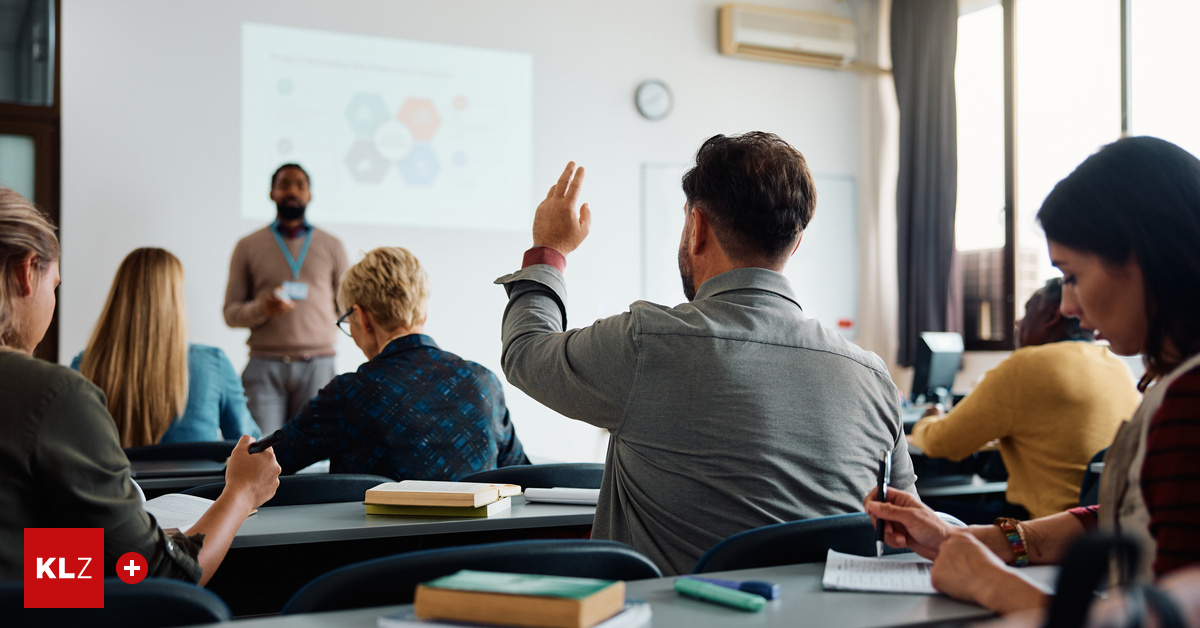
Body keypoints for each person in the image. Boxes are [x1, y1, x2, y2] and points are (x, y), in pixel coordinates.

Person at [495, 132, 916, 575]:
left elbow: (525, 351)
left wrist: (550, 250)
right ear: (794, 243)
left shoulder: (649, 344)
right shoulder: (873, 378)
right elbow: (909, 529)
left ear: (697, 228)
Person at [865, 136, 1200, 615]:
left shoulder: (1190, 398)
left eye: (1072, 275)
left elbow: (1166, 618)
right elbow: (1129, 520)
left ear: (1141, 257)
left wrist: (990, 584)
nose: (1067, 305)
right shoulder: (1161, 379)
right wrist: (965, 538)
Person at [0, 186, 280, 583]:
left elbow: (17, 560)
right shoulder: (54, 396)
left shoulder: (83, 366)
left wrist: (88, 561)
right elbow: (153, 574)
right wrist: (241, 493)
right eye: (55, 285)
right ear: (25, 273)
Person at [272, 246, 529, 480]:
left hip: (378, 533)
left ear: (362, 317)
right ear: (423, 312)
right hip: (476, 533)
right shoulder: (484, 383)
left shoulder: (349, 393)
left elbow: (264, 464)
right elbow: (522, 475)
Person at [910, 277, 1141, 521]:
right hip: (1101, 522)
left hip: (1041, 525)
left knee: (912, 501)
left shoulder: (1026, 365)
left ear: (1052, 315)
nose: (1019, 322)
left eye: (1027, 311)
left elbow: (942, 444)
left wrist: (926, 421)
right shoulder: (1118, 366)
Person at [71, 248, 261, 448]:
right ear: (175, 299)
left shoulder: (85, 366)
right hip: (197, 481)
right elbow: (250, 444)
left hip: (117, 481)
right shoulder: (214, 364)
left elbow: (70, 445)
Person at [224, 163, 350, 434]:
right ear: (272, 193)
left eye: (300, 185)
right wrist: (262, 308)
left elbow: (348, 308)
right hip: (265, 367)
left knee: (315, 457)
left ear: (310, 194)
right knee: (261, 453)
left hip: (318, 365)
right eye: (284, 185)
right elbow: (230, 313)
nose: (292, 191)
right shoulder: (248, 246)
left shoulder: (332, 245)